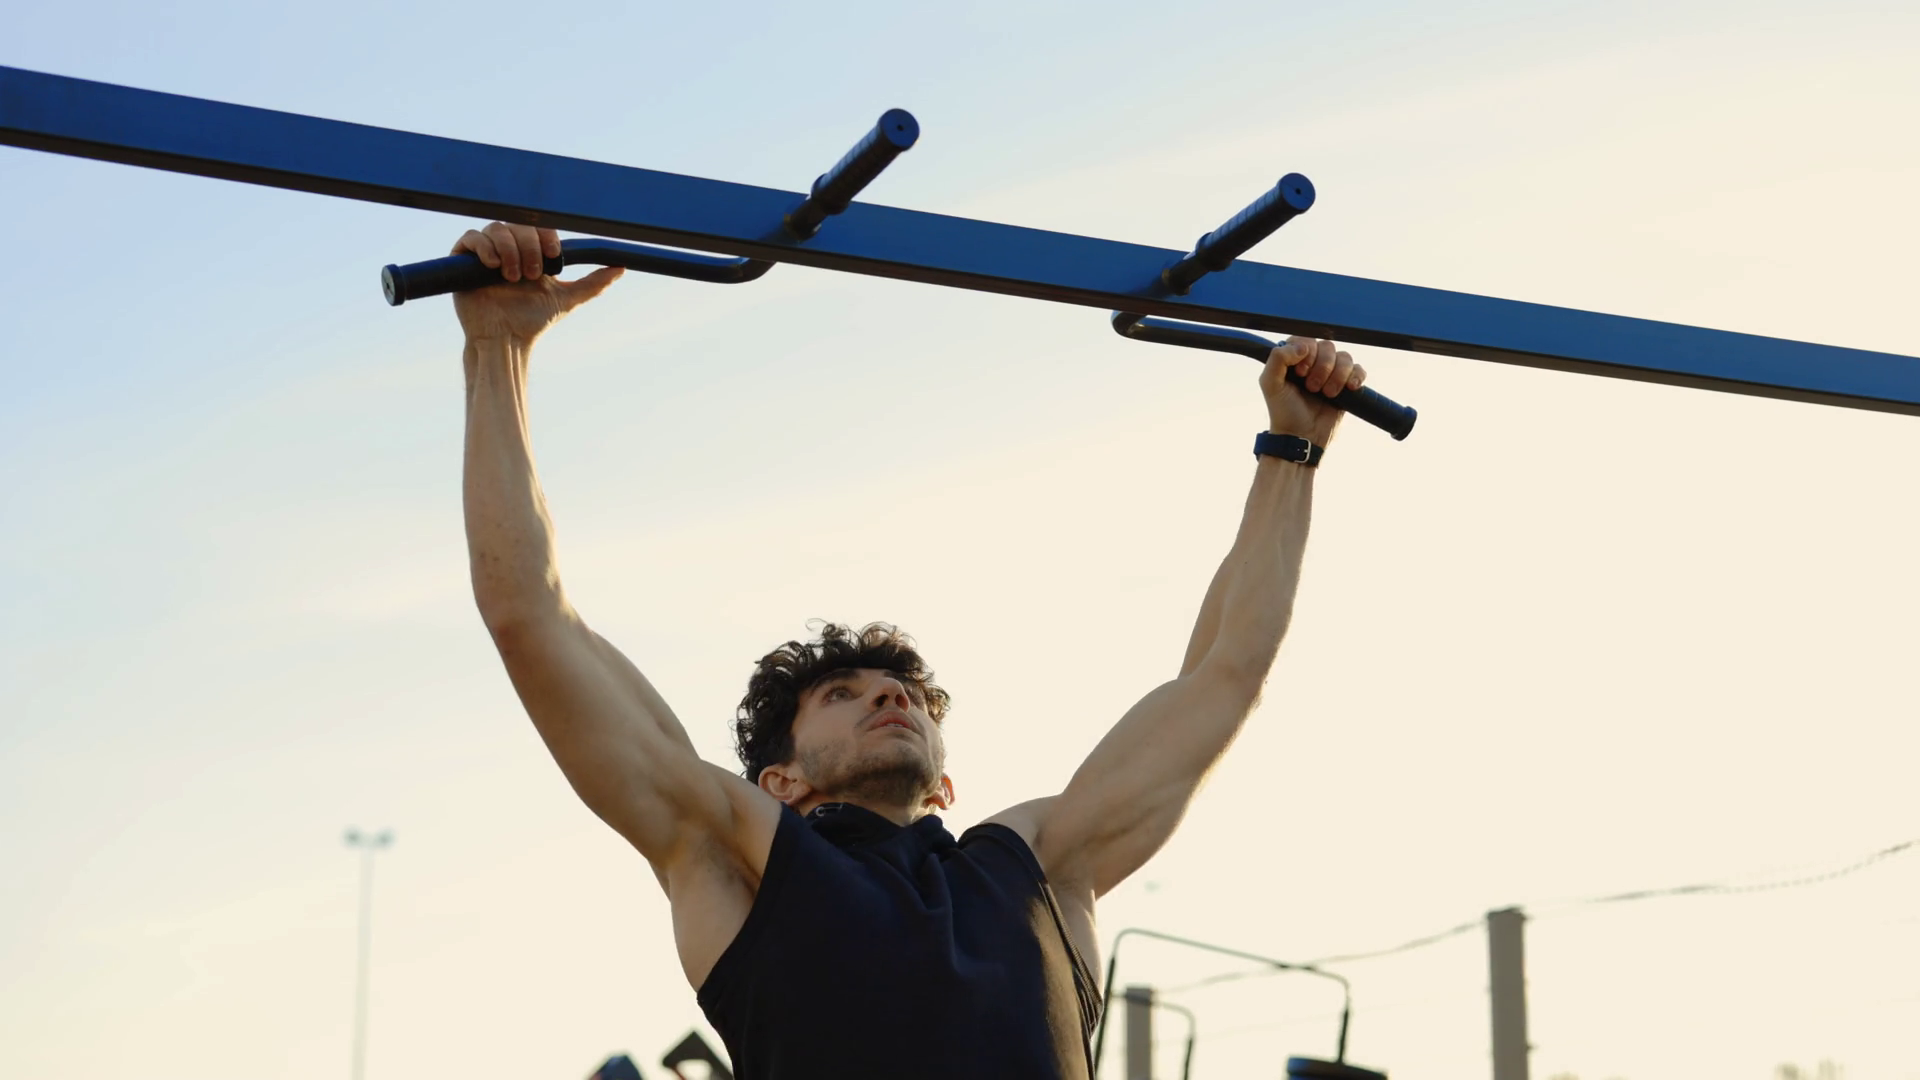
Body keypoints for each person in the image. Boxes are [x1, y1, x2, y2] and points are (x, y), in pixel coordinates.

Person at [455, 221, 1367, 1080]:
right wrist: (498, 348)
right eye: (842, 695)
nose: (887, 697)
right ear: (783, 781)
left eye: (902, 691)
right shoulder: (735, 854)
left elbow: (1224, 672)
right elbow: (530, 615)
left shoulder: (1041, 862)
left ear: (945, 780)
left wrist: (1292, 448)